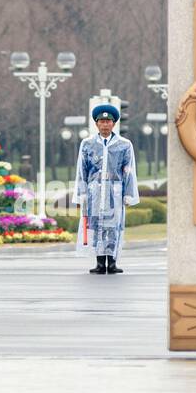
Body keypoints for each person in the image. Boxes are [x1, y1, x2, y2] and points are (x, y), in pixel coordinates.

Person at [72, 104, 140, 274]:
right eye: (101, 121)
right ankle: (100, 262)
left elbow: (129, 170)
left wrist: (128, 193)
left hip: (115, 192)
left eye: (108, 121)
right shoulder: (87, 144)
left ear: (114, 123)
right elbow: (82, 170)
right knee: (96, 225)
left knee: (114, 226)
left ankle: (113, 262)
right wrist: (82, 193)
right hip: (94, 191)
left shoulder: (124, 145)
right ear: (96, 124)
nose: (105, 124)